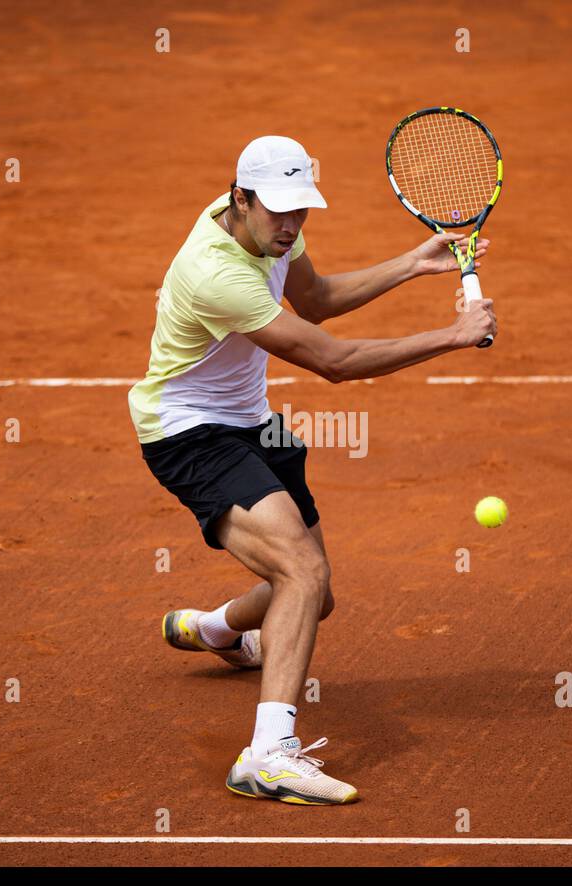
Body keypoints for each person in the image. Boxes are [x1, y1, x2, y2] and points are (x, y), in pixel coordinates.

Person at [128, 135, 496, 804]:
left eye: (301, 211)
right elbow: (333, 360)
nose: (292, 225)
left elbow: (318, 299)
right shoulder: (216, 274)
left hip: (250, 420)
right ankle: (267, 756)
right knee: (301, 571)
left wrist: (413, 264)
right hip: (188, 433)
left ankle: (217, 629)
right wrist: (453, 335)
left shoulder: (263, 224)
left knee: (314, 598)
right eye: (279, 212)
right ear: (240, 199)